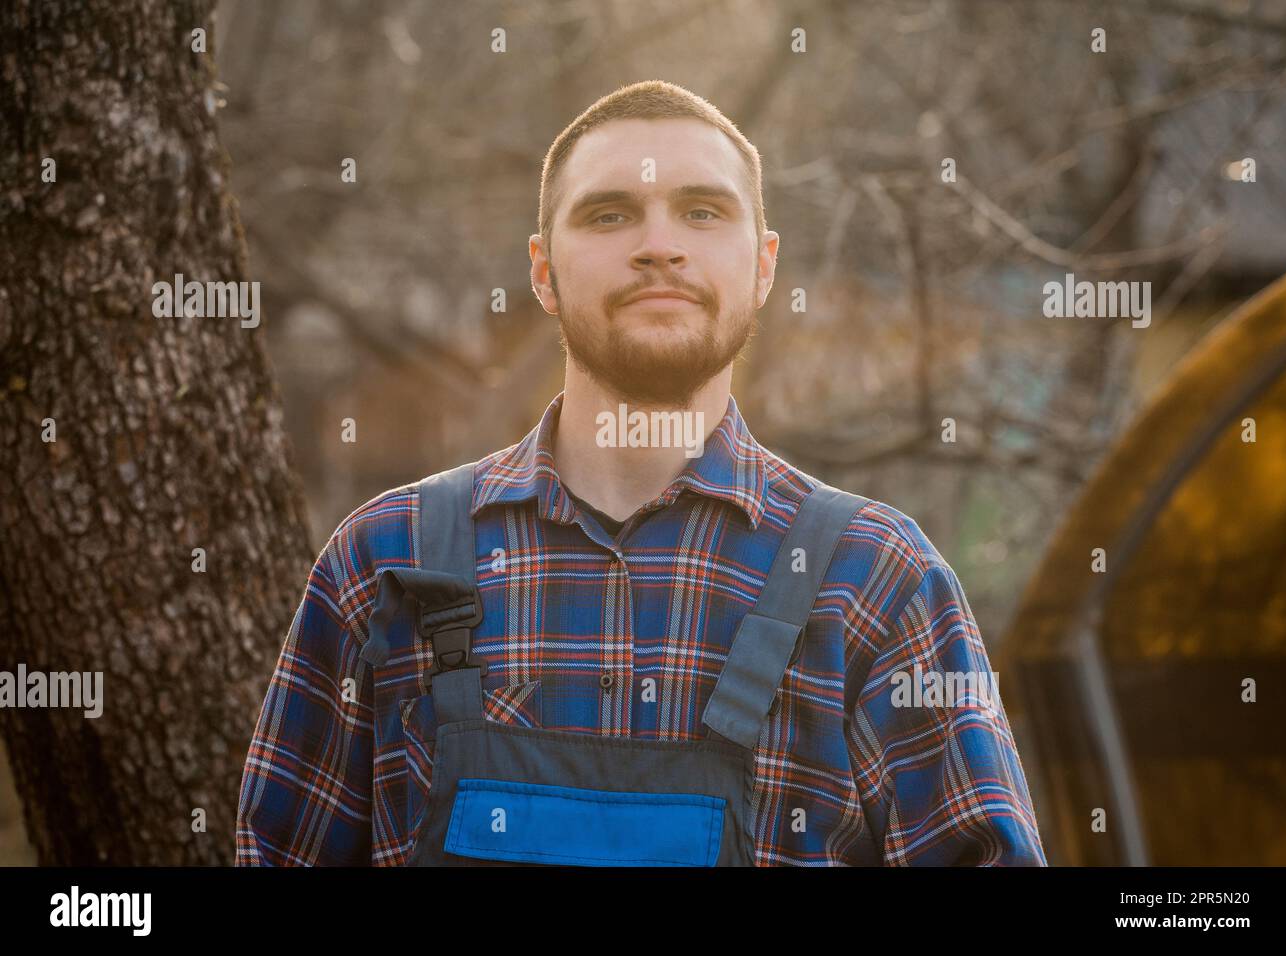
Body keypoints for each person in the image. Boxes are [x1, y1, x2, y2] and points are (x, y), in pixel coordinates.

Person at [235, 79, 1046, 867]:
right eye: (609, 214)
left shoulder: (878, 581)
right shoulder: (382, 563)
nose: (659, 245)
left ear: (763, 267)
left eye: (702, 211)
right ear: (543, 272)